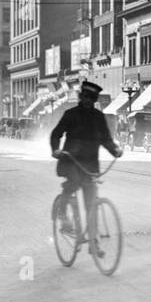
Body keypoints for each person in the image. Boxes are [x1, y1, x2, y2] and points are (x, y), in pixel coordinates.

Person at [50, 81, 122, 234]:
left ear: (95, 100)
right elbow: (56, 134)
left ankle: (93, 239)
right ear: (80, 97)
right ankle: (63, 215)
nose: (87, 100)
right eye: (85, 97)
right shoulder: (70, 114)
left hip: (89, 164)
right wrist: (56, 149)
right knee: (74, 182)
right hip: (70, 161)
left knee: (91, 199)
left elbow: (106, 139)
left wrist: (115, 151)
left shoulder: (98, 117)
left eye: (91, 98)